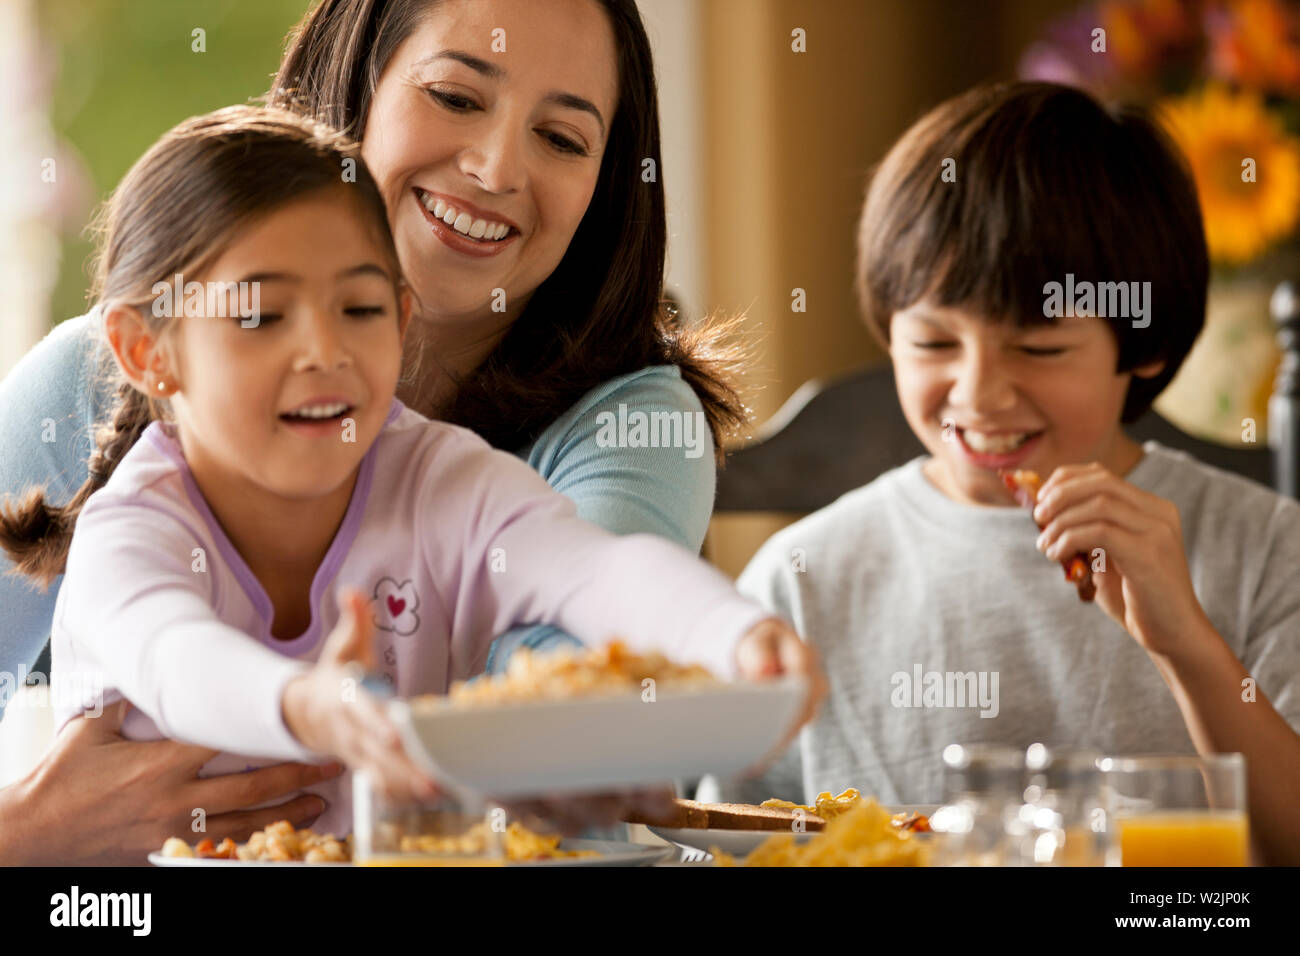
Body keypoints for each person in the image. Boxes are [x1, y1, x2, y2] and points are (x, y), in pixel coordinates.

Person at [0, 0, 751, 862]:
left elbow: (571, 665)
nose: (496, 167)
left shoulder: (582, 437)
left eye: (564, 138)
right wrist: (34, 830)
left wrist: (728, 633)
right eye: (458, 97)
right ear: (355, 81)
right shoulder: (104, 403)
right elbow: (166, 646)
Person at [722, 82, 1300, 865]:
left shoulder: (1265, 549)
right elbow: (725, 844)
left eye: (1039, 348)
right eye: (932, 343)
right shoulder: (801, 580)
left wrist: (1188, 646)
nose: (979, 393)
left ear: (1146, 345)